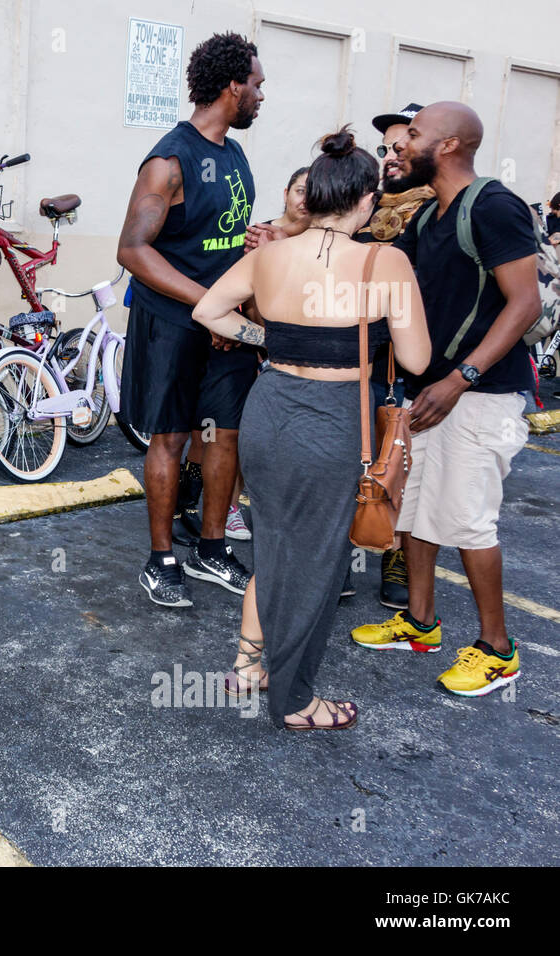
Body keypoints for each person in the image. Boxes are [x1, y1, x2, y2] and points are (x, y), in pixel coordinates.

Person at [194, 128, 430, 729]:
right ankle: (295, 700)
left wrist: (267, 337)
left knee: (274, 544)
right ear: (365, 200)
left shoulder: (269, 256)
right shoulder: (386, 260)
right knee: (319, 562)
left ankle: (251, 668)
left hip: (268, 408)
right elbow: (420, 359)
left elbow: (207, 310)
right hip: (332, 420)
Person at [351, 102, 540, 698]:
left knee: (467, 519)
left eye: (414, 136)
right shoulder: (430, 213)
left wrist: (461, 377)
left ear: (452, 144)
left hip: (478, 394)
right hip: (428, 394)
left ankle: (497, 650)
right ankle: (421, 624)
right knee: (415, 513)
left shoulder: (495, 206)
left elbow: (525, 303)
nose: (400, 146)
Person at [117, 32, 264, 607]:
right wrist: (208, 303)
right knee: (172, 437)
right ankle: (161, 559)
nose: (260, 95)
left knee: (225, 436)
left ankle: (211, 548)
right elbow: (133, 250)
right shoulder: (169, 160)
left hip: (223, 329)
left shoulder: (233, 151)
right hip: (174, 324)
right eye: (256, 85)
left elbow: (220, 235)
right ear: (232, 86)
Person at [351, 103, 434, 610]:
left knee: (401, 459)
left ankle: (395, 555)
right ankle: (344, 549)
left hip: (410, 359)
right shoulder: (367, 204)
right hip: (362, 355)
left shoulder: (434, 211)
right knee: (354, 453)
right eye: (385, 148)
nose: (390, 155)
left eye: (401, 146)